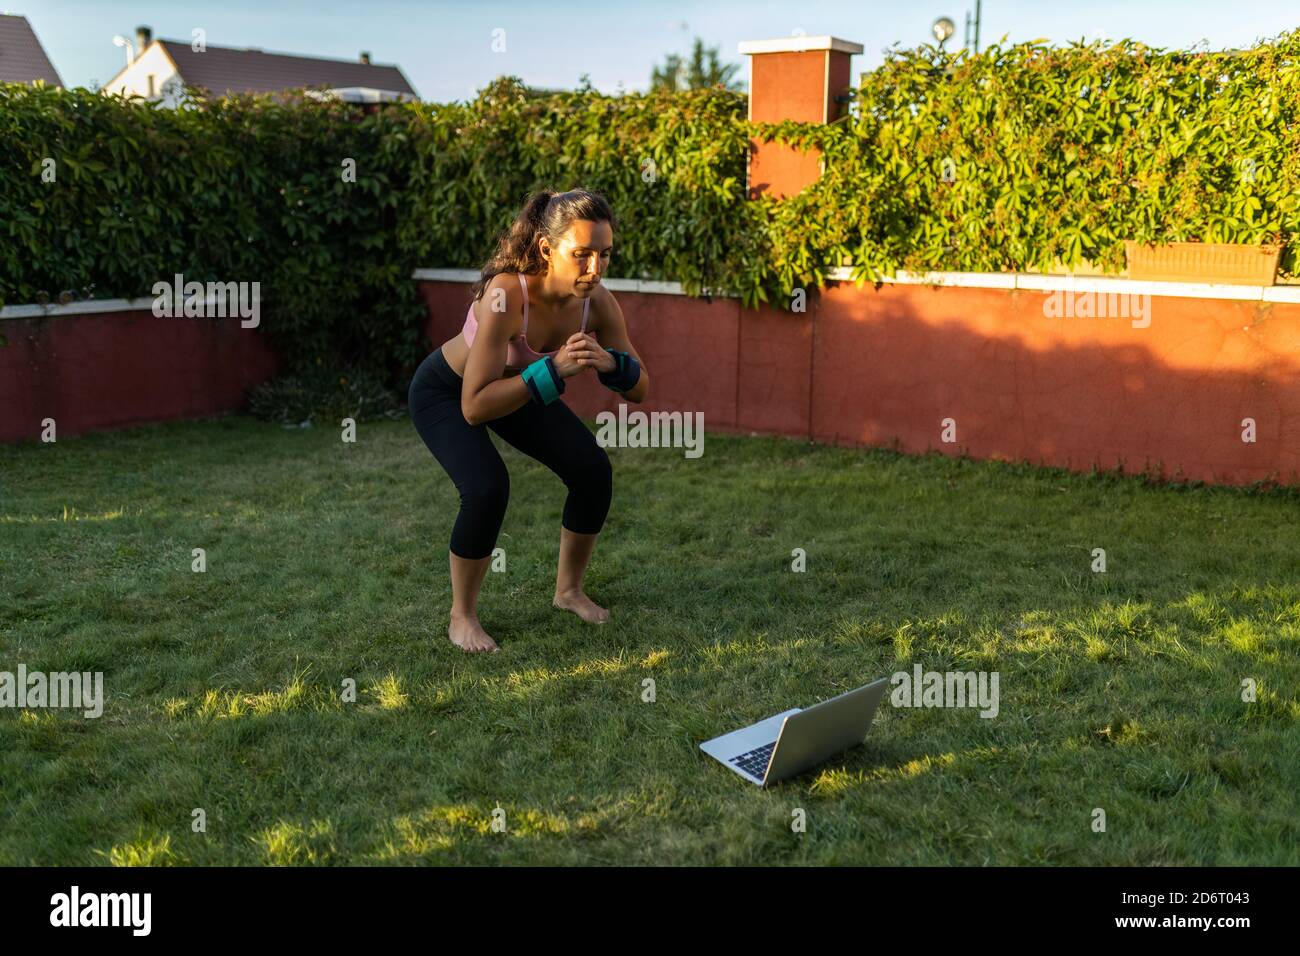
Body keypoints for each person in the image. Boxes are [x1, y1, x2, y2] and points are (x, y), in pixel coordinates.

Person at [407, 188, 648, 653]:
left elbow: (640, 389)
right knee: (486, 487)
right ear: (545, 249)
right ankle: (462, 616)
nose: (595, 269)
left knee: (592, 470)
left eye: (604, 255)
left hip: (517, 389)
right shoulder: (506, 293)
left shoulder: (597, 302)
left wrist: (610, 364)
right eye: (581, 255)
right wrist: (553, 370)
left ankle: (569, 590)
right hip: (447, 392)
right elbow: (474, 406)